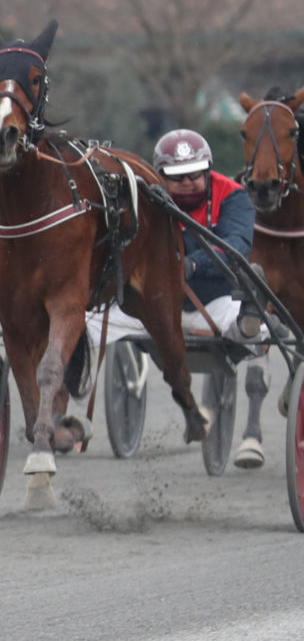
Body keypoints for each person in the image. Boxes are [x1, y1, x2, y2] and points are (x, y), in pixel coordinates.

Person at [88, 127, 264, 466]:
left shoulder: (233, 196)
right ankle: (71, 416)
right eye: (175, 177)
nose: (186, 183)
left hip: (213, 306)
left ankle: (253, 332)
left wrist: (190, 266)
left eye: (194, 175)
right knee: (79, 326)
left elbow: (237, 246)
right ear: (159, 175)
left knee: (253, 330)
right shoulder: (143, 196)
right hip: (148, 310)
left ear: (208, 169)